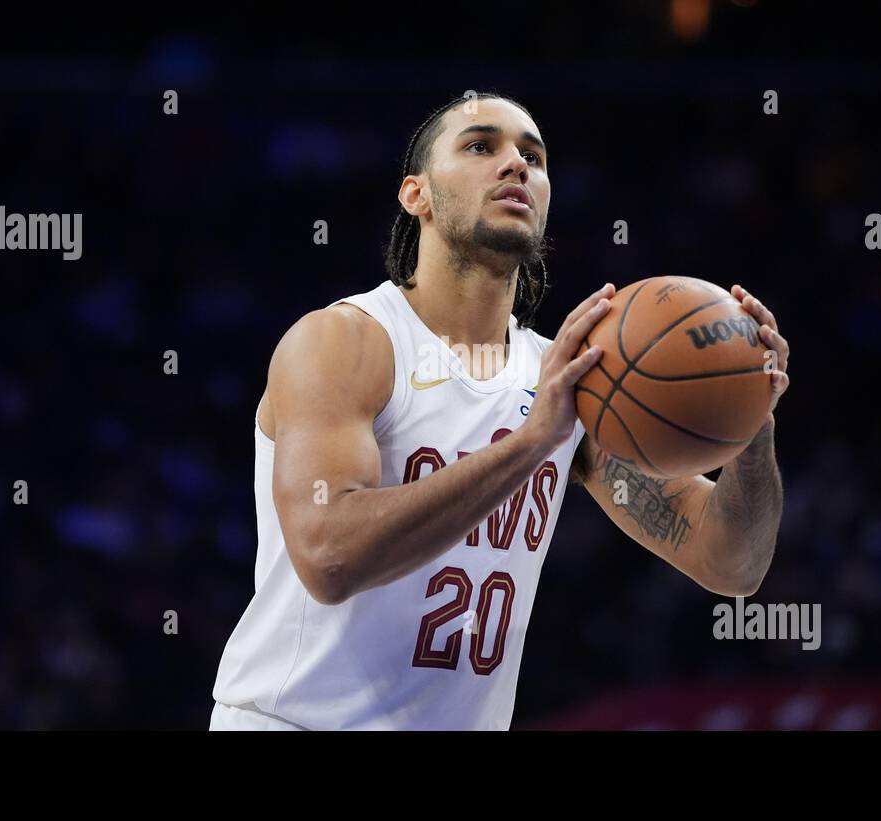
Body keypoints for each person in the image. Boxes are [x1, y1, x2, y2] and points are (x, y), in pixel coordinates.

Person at [210, 92, 790, 730]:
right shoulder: (346, 341)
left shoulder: (571, 383)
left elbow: (733, 564)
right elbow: (329, 558)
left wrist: (747, 423)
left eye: (533, 157)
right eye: (481, 146)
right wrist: (530, 443)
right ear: (417, 195)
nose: (515, 165)